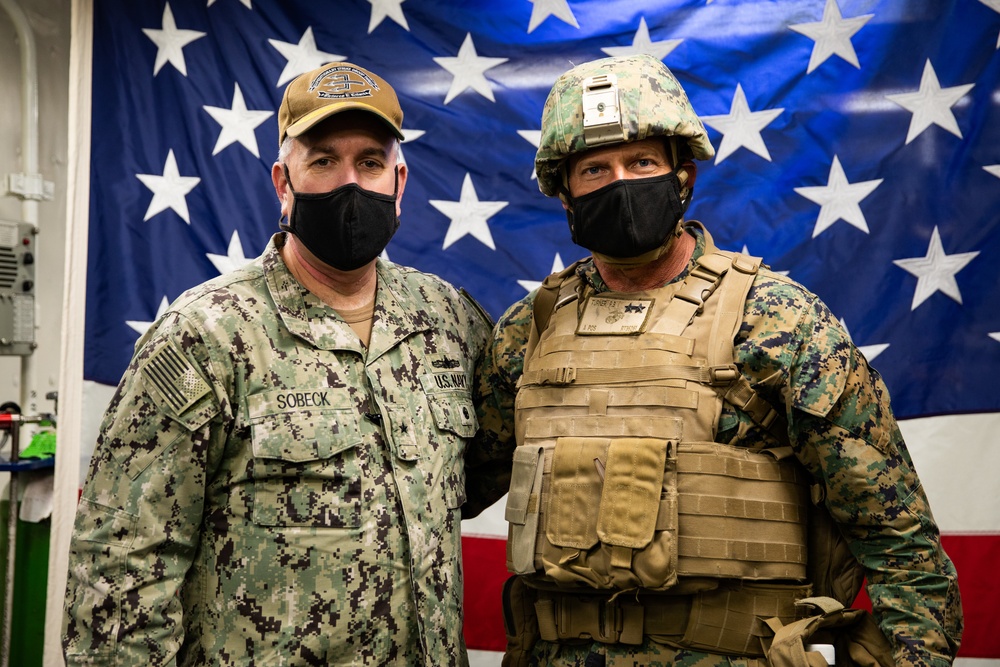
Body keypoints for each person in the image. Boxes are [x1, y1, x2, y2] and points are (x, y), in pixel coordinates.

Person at [468, 54, 962, 667]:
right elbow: (446, 488)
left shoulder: (780, 321)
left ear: (683, 175)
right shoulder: (528, 331)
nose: (620, 182)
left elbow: (898, 543)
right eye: (595, 169)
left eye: (642, 161)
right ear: (564, 193)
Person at [63, 61, 492, 666]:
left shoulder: (449, 321)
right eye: (322, 161)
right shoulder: (205, 333)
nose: (351, 184)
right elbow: (123, 565)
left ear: (399, 182)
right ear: (282, 182)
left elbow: (468, 481)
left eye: (370, 162)